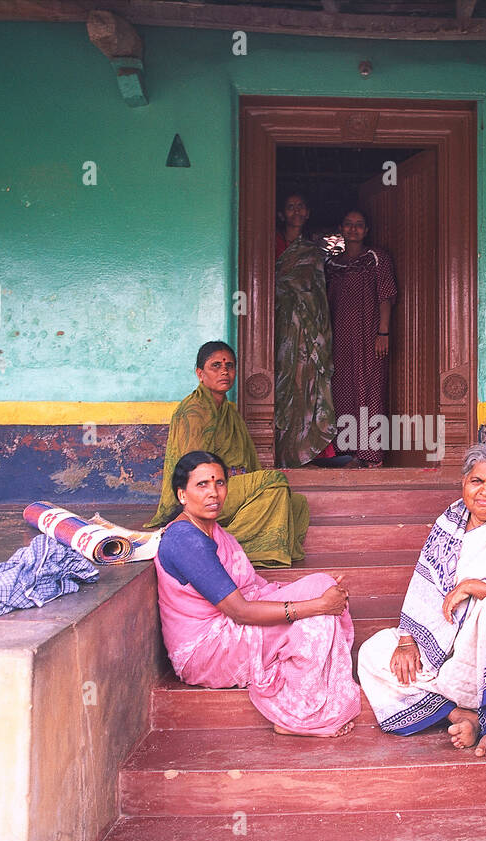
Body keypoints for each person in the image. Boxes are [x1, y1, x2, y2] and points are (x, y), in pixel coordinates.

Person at [357, 444, 486, 757]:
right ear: (464, 484)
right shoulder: (450, 520)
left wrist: (476, 586)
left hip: (484, 658)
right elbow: (424, 581)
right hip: (440, 656)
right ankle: (460, 715)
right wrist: (407, 640)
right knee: (373, 652)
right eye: (477, 482)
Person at [155, 451, 361, 737]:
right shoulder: (185, 540)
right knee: (317, 617)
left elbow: (252, 590)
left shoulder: (214, 531)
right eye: (202, 484)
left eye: (219, 483)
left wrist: (320, 594)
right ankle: (298, 715)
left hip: (232, 623)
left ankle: (308, 694)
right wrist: (315, 605)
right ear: (182, 494)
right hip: (205, 650)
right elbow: (240, 611)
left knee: (321, 584)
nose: (213, 493)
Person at [147, 341, 308, 567]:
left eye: (230, 366)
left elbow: (248, 462)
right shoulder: (193, 411)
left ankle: (241, 544)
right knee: (276, 481)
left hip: (233, 485)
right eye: (216, 366)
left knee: (297, 503)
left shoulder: (230, 412)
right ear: (200, 374)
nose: (225, 371)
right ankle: (223, 547)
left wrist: (248, 483)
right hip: (206, 489)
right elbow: (193, 467)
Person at [326, 209, 397, 466]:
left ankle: (371, 454)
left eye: (359, 225)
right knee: (342, 390)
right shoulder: (332, 265)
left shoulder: (376, 258)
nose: (353, 229)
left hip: (370, 335)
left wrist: (383, 332)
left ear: (366, 230)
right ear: (341, 229)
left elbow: (386, 296)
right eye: (348, 224)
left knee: (370, 389)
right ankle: (349, 452)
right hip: (340, 338)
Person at [274, 193, 339, 468]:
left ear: (308, 213)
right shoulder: (270, 245)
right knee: (280, 386)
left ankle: (308, 451)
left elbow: (318, 296)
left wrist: (319, 335)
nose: (296, 211)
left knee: (307, 384)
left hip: (308, 331)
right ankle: (279, 451)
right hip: (277, 329)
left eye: (301, 206)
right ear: (282, 214)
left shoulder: (312, 253)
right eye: (290, 207)